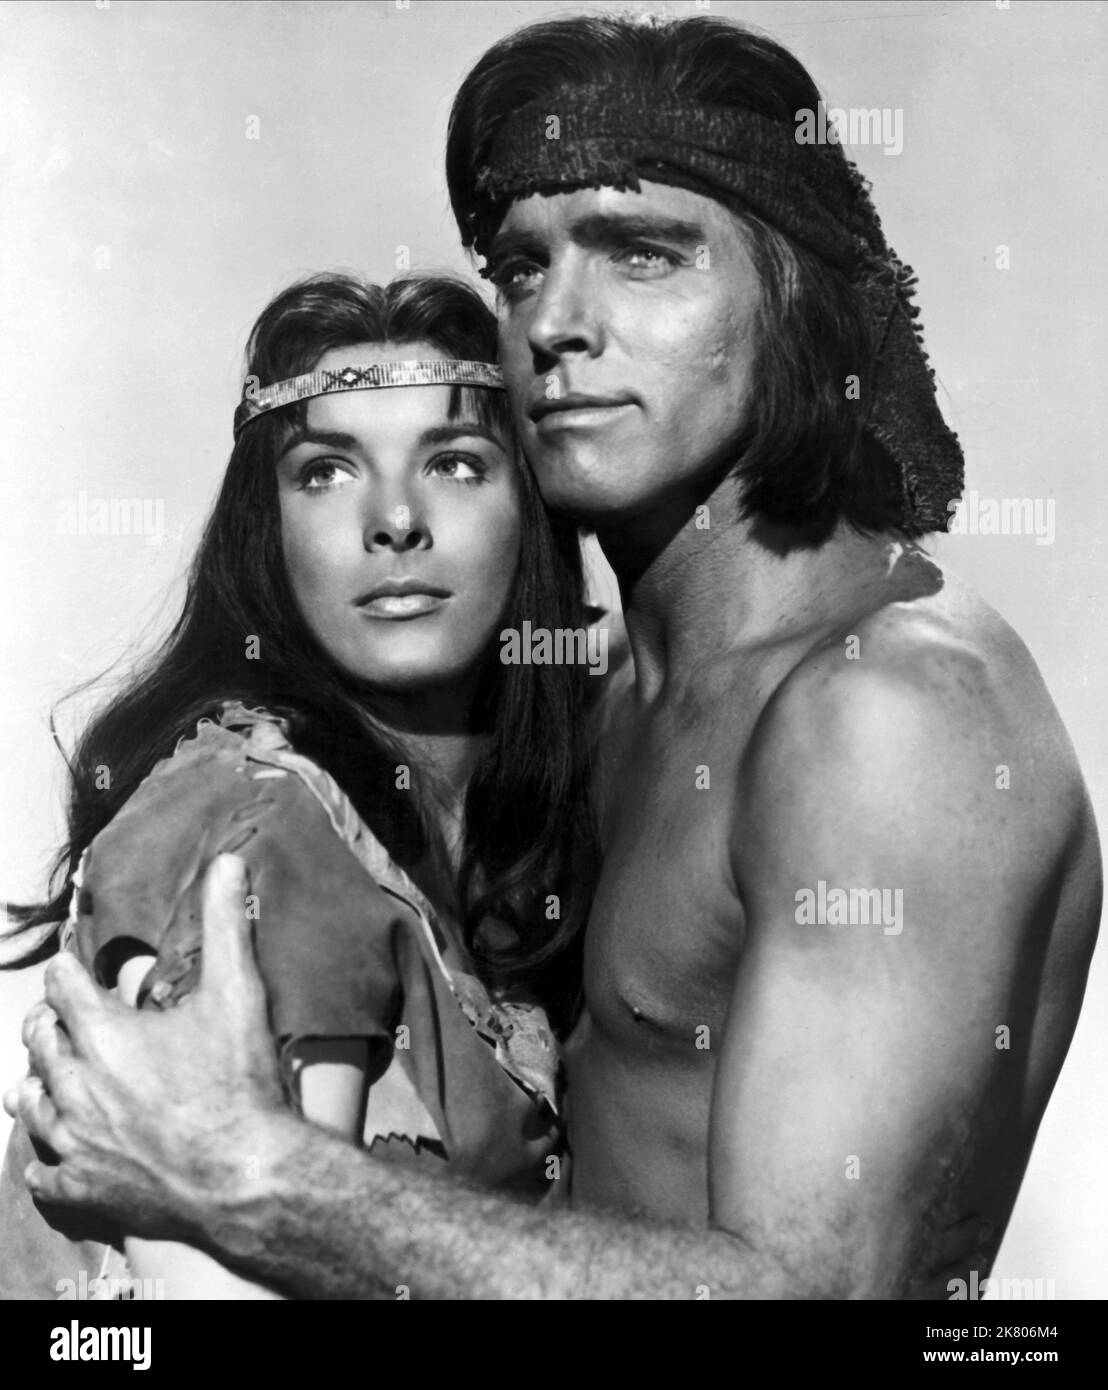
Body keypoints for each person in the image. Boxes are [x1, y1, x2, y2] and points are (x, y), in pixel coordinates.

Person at [8, 13, 1101, 1300]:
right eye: (522, 268)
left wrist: (258, 1181)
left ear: (793, 296)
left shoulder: (890, 709)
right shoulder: (590, 697)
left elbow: (821, 1296)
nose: (555, 323)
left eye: (643, 254)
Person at [0, 271, 596, 1298]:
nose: (395, 518)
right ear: (265, 531)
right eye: (325, 471)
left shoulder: (467, 839)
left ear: (530, 515)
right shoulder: (270, 824)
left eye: (454, 463)